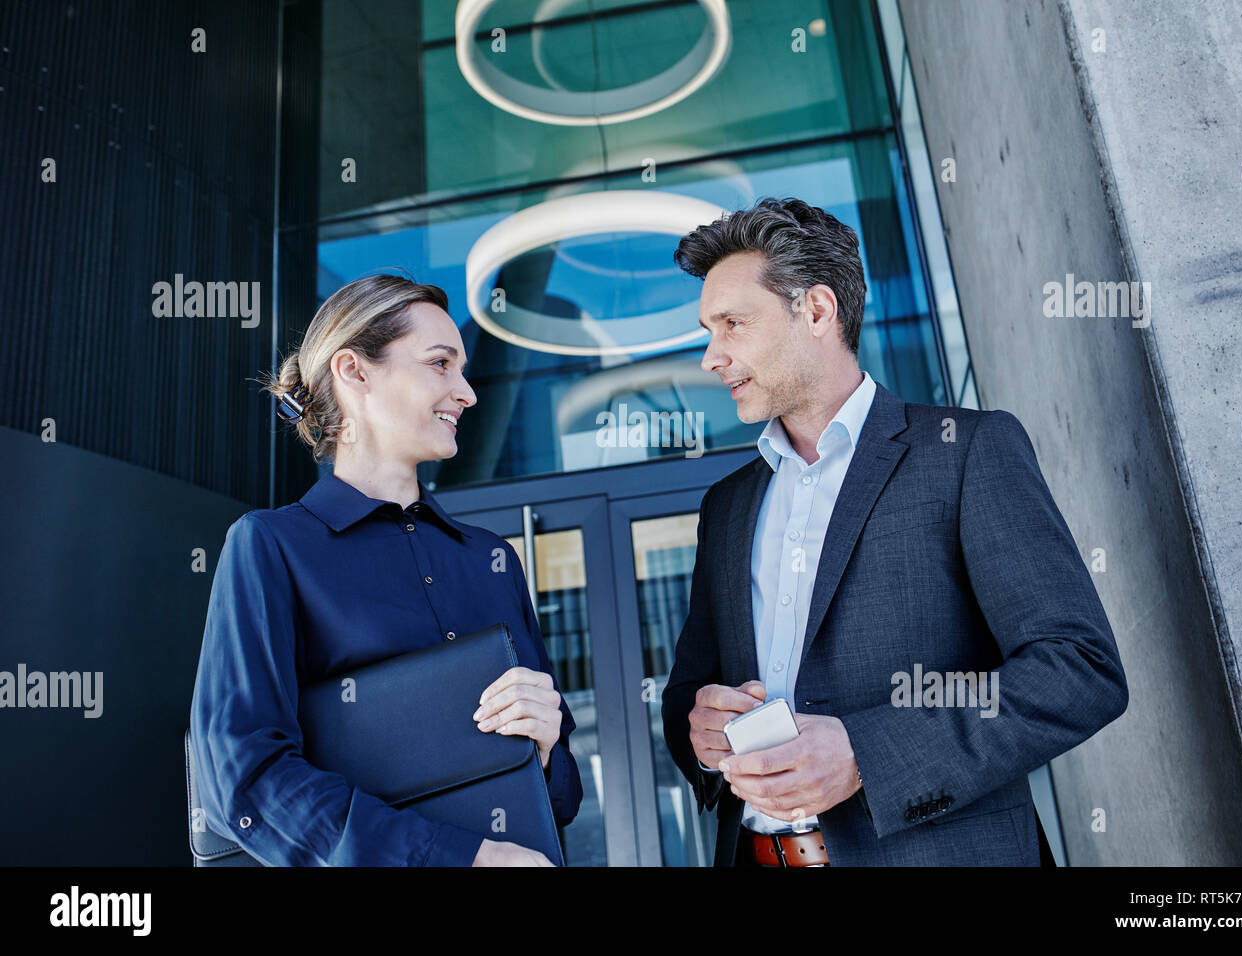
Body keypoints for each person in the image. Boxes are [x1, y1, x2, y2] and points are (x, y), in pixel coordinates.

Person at [662, 197, 1128, 866]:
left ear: (817, 311)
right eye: (710, 330)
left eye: (733, 324)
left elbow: (1079, 673)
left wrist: (865, 756)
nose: (712, 356)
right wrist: (700, 731)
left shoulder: (966, 452)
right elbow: (688, 691)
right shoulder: (727, 507)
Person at [189, 272, 581, 866]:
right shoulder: (271, 546)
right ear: (354, 372)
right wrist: (458, 858)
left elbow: (564, 797)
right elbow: (244, 781)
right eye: (440, 364)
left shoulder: (491, 560)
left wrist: (548, 748)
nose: (467, 392)